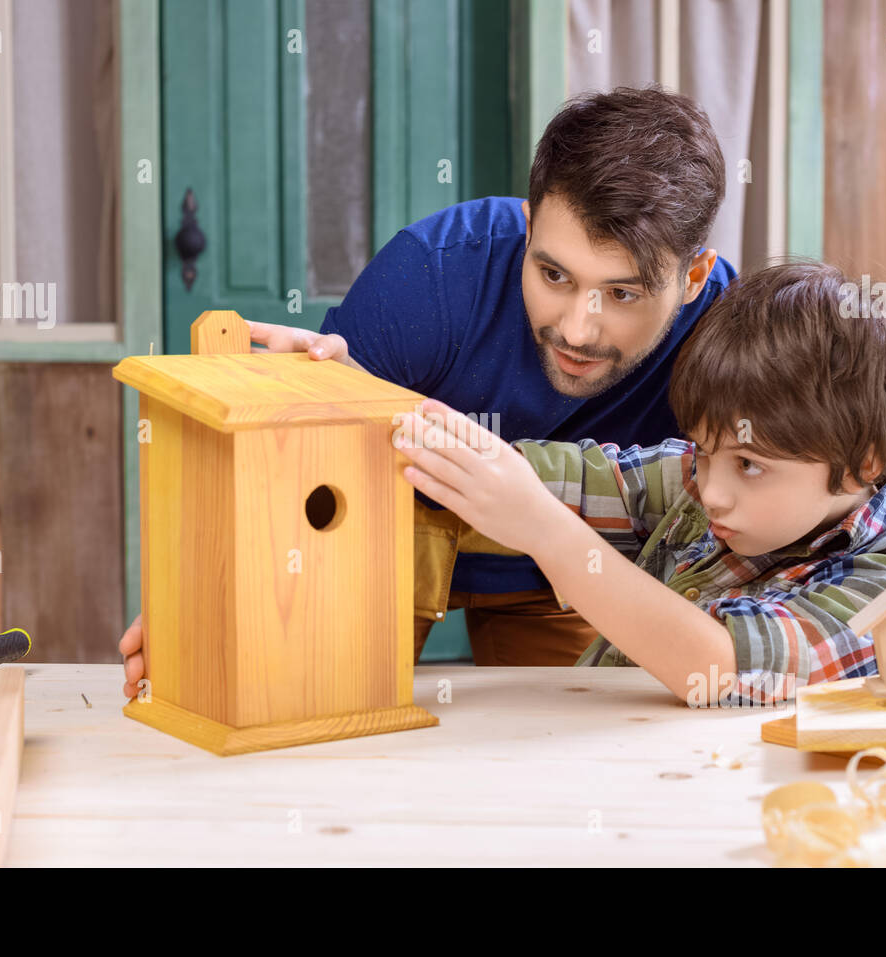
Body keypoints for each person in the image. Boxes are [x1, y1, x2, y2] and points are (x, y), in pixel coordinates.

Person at [121, 84, 735, 695]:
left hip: (569, 561)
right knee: (304, 702)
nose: (577, 330)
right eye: (553, 275)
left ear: (693, 277)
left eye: (622, 294)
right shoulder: (431, 272)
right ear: (528, 228)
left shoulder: (731, 335)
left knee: (579, 731)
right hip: (377, 535)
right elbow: (296, 465)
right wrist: (206, 585)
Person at [391, 261, 886, 705]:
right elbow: (571, 477)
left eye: (749, 464)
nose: (711, 490)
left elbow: (718, 666)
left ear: (863, 463)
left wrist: (546, 533)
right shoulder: (711, 481)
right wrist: (378, 416)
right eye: (702, 449)